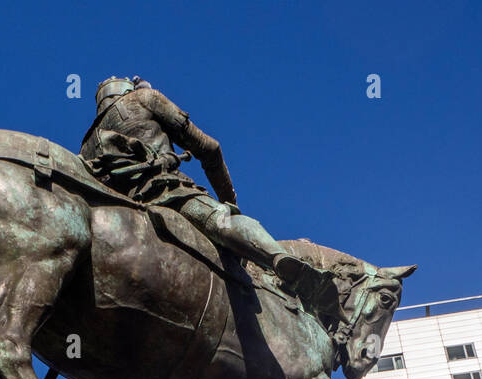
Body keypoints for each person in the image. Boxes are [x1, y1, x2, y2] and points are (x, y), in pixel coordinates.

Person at [81, 77, 339, 317]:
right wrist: (229, 199)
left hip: (117, 208)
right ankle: (280, 260)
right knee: (221, 221)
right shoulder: (143, 98)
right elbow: (209, 148)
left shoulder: (87, 141)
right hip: (164, 193)